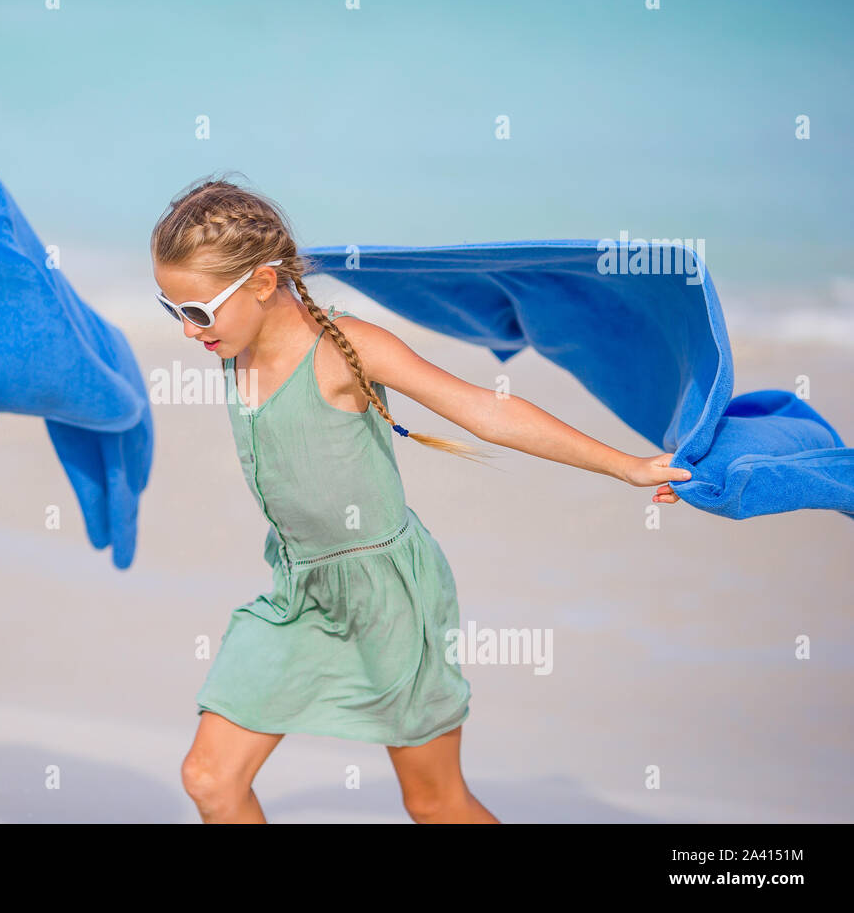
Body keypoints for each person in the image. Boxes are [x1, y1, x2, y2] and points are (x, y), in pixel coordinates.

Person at [151, 175, 691, 823]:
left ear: (264, 284)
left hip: (392, 599)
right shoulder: (231, 344)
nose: (187, 332)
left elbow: (486, 412)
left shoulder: (342, 351)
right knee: (210, 779)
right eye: (172, 309)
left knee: (434, 804)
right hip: (297, 593)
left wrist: (626, 466)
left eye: (199, 312)